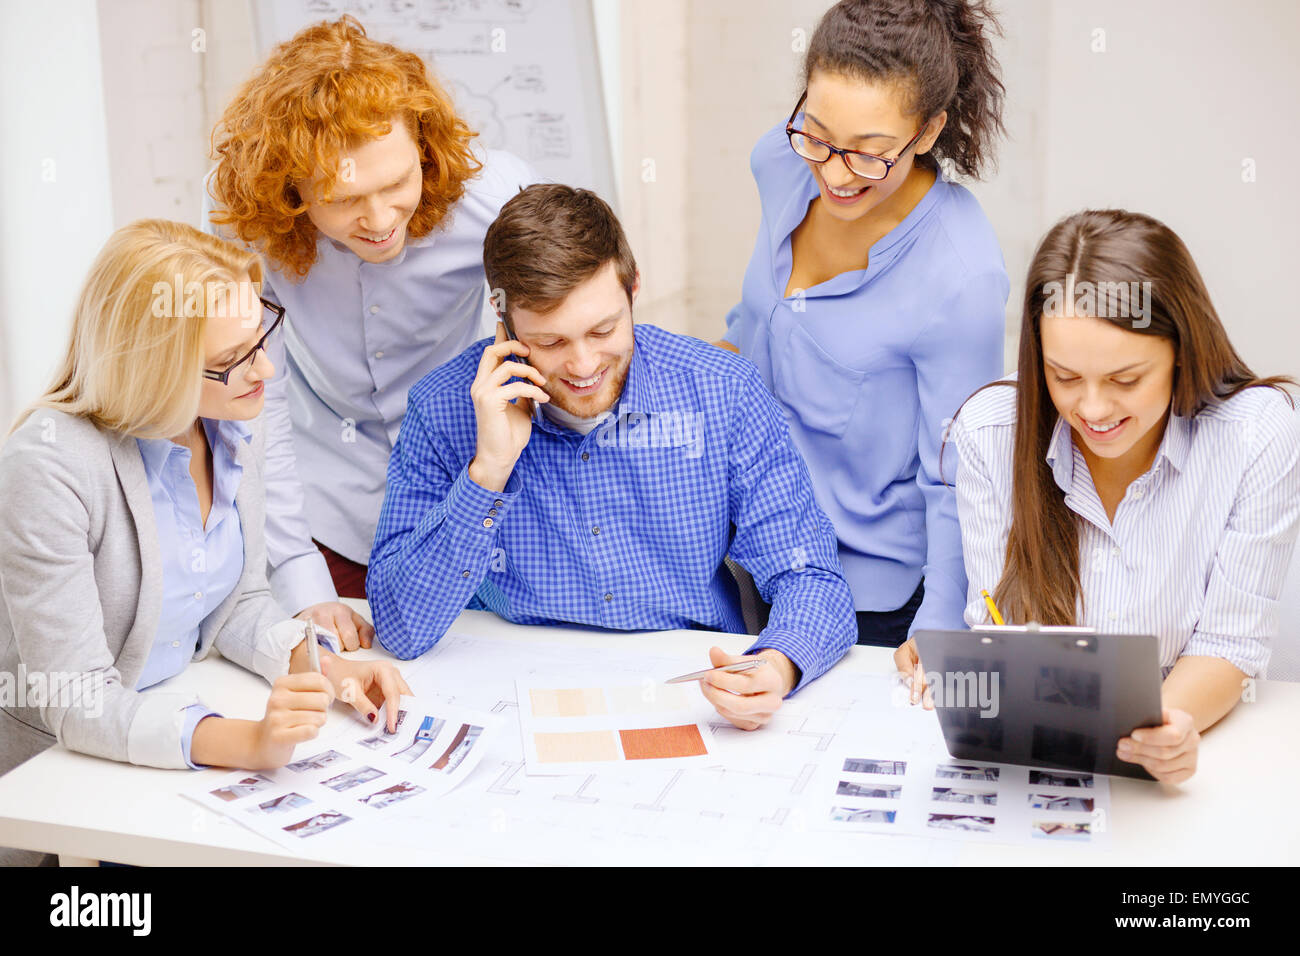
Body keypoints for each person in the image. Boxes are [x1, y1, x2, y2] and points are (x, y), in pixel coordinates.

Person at [368, 185, 857, 730]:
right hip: (512, 696)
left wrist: (779, 664)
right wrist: (487, 473)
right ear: (503, 322)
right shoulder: (443, 409)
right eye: (550, 343)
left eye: (603, 330)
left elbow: (810, 576)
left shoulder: (721, 391)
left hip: (687, 692)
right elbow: (400, 627)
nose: (582, 365)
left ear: (633, 289)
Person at [0, 221, 409, 864]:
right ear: (152, 370)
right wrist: (251, 743)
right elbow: (77, 702)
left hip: (169, 733)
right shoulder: (50, 466)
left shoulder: (226, 423)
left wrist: (327, 671)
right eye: (234, 359)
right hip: (64, 778)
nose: (266, 369)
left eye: (260, 337)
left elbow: (237, 604)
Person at [897, 209, 1300, 783]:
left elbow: (1228, 641)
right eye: (1063, 377)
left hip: (1187, 760)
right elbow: (999, 629)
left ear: (1183, 349)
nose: (1091, 410)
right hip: (1036, 760)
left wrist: (1166, 724)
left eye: (1125, 380)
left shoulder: (1259, 434)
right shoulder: (990, 432)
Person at [203, 15, 538, 647]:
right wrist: (298, 575)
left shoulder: (496, 194)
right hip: (322, 506)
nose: (381, 220)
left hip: (463, 493)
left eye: (397, 184)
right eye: (344, 199)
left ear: (426, 150)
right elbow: (251, 401)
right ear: (290, 190)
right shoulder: (244, 221)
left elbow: (575, 327)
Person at [720, 0, 1010, 647]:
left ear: (929, 131)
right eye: (817, 136)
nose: (832, 171)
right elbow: (754, 326)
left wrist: (941, 625)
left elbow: (960, 473)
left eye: (868, 153)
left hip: (868, 599)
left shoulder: (960, 276)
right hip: (753, 547)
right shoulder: (781, 159)